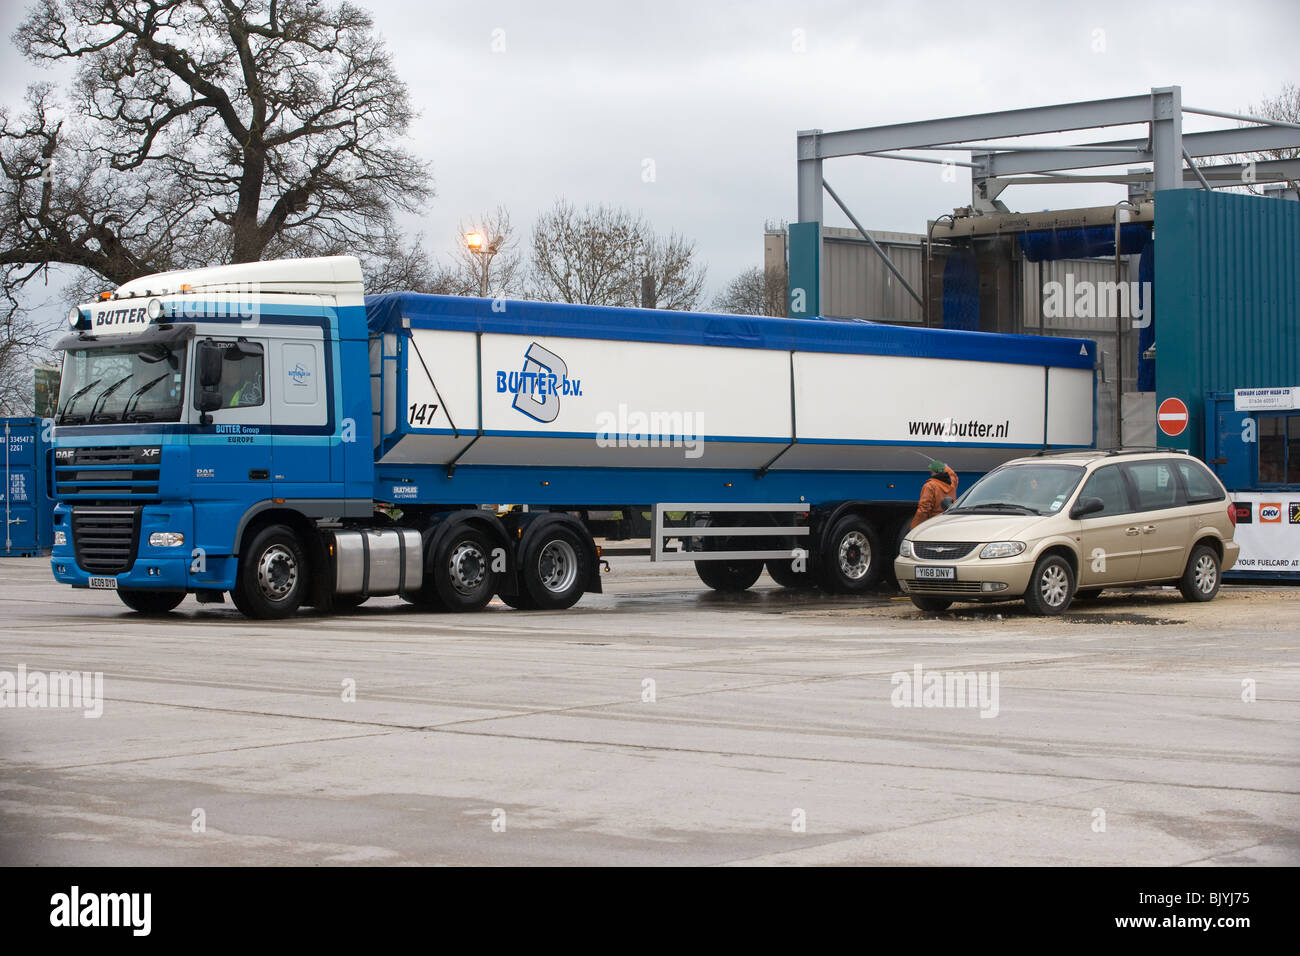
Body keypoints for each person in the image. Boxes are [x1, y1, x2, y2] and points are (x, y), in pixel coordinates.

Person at [910, 460, 957, 529]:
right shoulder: (952, 484)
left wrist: (914, 526)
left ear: (932, 472)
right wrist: (945, 467)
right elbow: (953, 475)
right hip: (946, 521)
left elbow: (924, 509)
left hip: (933, 523)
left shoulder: (930, 486)